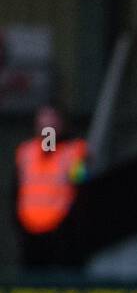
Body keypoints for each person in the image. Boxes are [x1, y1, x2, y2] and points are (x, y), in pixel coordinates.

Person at [13, 104, 88, 267]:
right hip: (29, 230)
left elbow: (81, 186)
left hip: (62, 232)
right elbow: (15, 190)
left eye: (53, 119)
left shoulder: (73, 152)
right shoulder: (26, 152)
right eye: (44, 119)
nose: (48, 124)